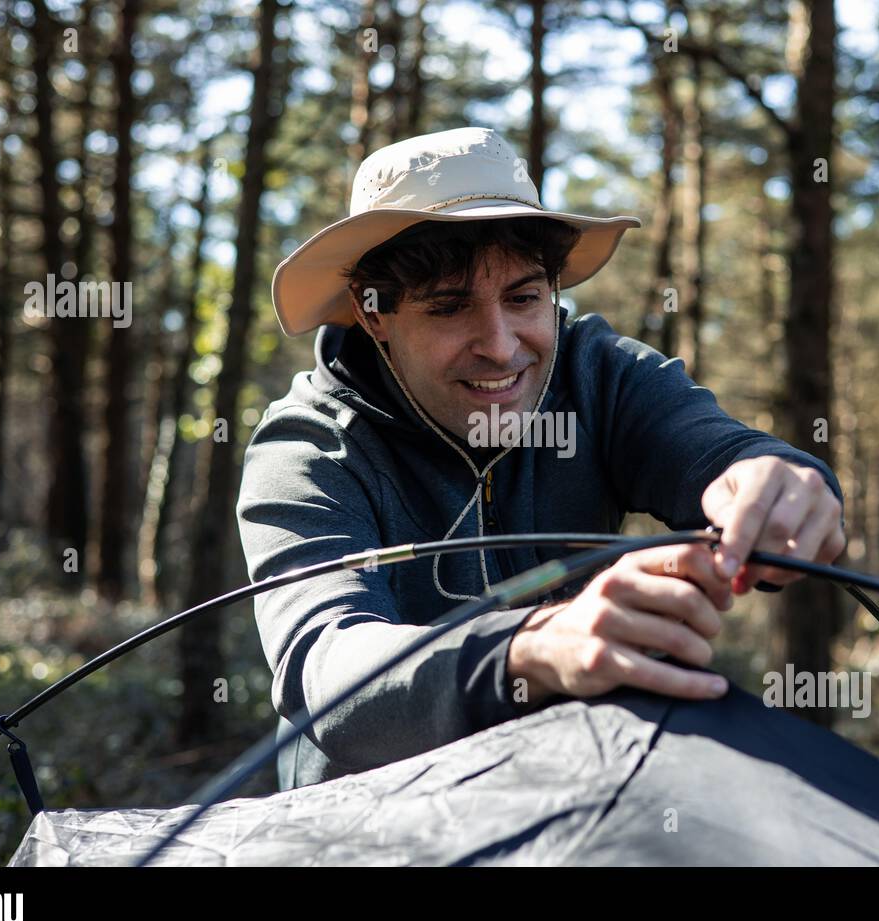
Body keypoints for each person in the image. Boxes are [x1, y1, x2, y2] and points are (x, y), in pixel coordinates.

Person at [237, 127, 846, 789]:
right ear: (374, 312)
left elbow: (716, 448)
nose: (500, 347)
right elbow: (324, 669)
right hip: (355, 828)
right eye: (449, 307)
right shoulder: (308, 448)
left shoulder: (597, 375)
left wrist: (776, 483)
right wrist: (528, 649)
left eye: (525, 298)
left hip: (565, 806)